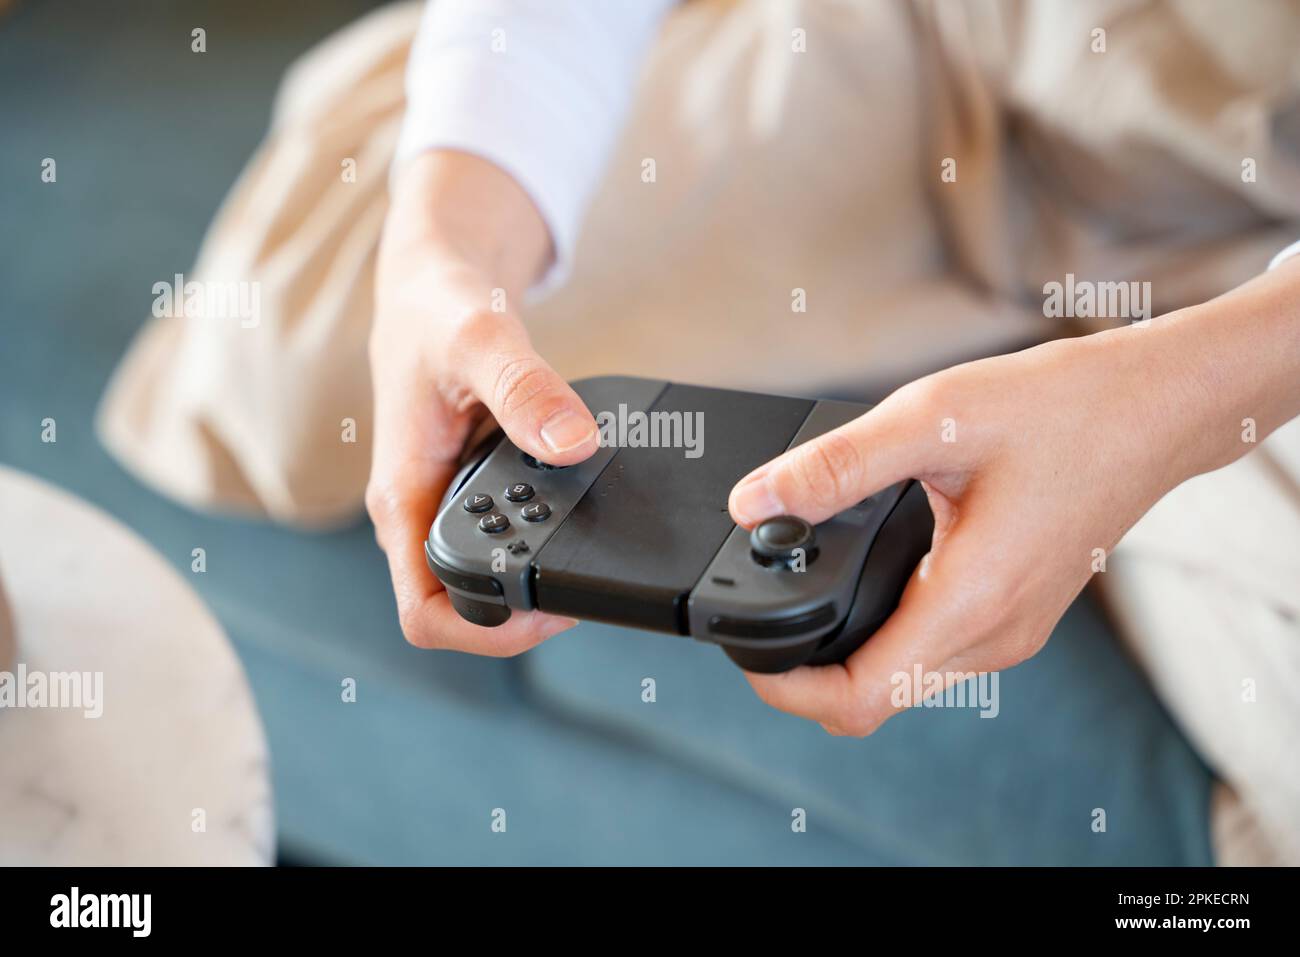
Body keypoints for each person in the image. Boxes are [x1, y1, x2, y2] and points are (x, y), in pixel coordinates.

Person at [365, 0, 1300, 736]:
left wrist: (1185, 393)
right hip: (963, 47)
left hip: (1253, 243)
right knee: (298, 383)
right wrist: (439, 247)